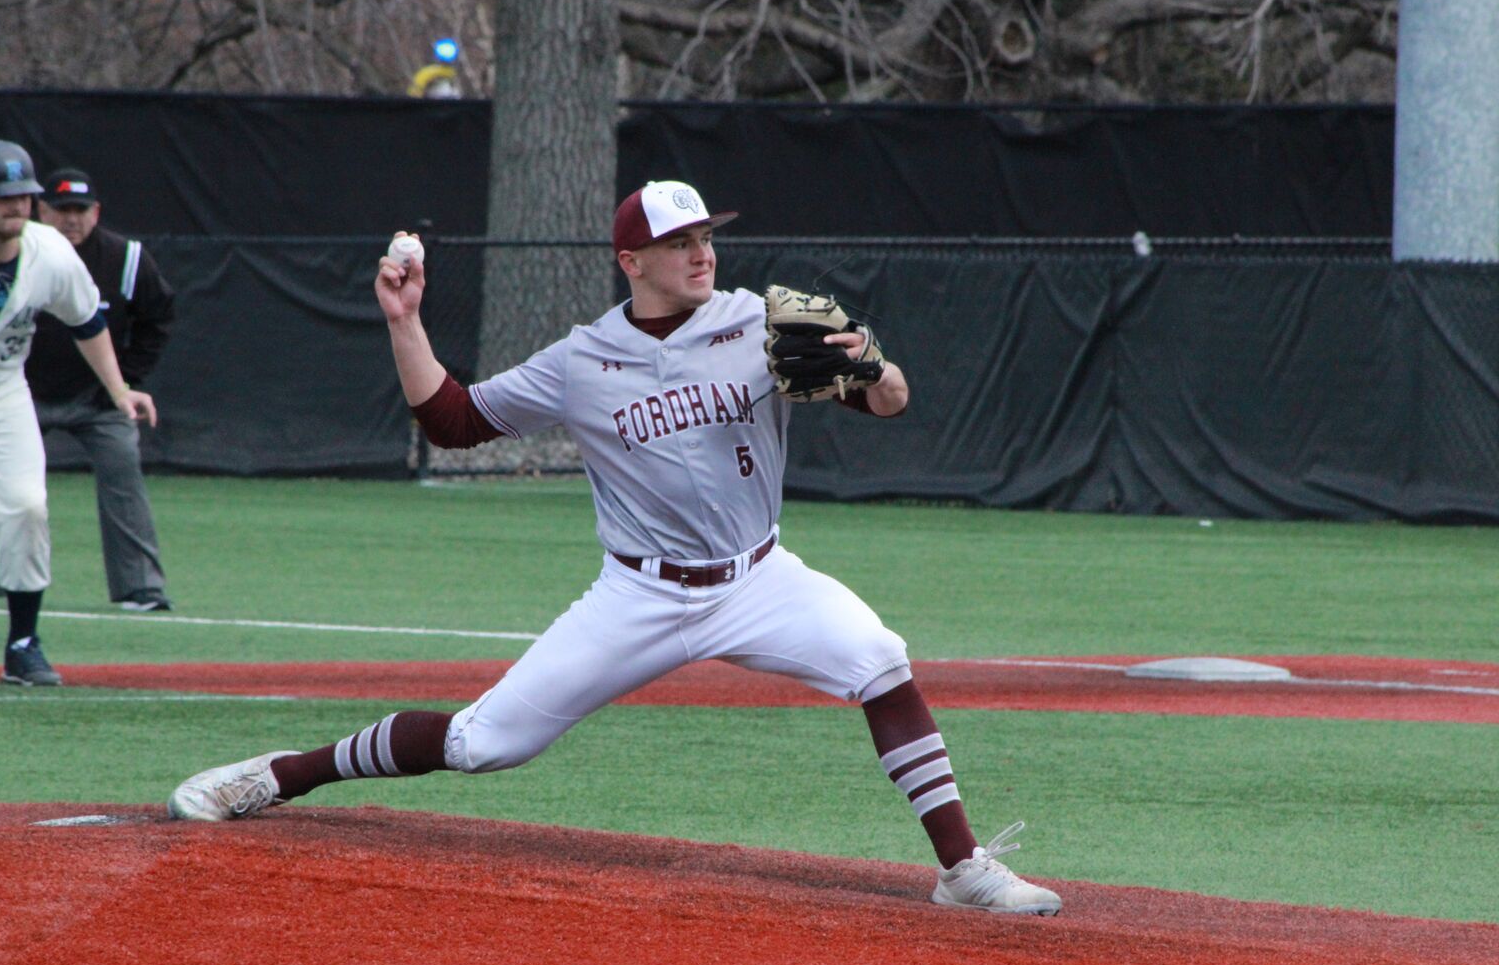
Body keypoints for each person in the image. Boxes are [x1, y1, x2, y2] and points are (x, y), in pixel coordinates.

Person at [167, 180, 1061, 915]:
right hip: (638, 594)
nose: (702, 252)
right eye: (681, 242)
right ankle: (278, 774)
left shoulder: (760, 321)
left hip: (759, 576)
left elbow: (892, 402)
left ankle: (962, 869)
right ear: (631, 261)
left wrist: (869, 358)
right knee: (485, 743)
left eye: (707, 234)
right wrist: (406, 321)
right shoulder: (582, 359)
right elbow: (452, 419)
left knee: (878, 656)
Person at [0, 139, 157, 685]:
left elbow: (87, 322)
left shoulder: (49, 253)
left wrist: (119, 390)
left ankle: (22, 643)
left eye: (24, 195)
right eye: (3, 196)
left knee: (25, 507)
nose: (17, 205)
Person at [0, 167, 175, 612]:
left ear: (96, 212)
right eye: (62, 210)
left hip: (99, 400)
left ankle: (142, 589)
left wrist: (125, 382)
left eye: (81, 210)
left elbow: (158, 317)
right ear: (41, 210)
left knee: (124, 476)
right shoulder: (8, 252)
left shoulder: (126, 259)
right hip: (20, 394)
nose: (72, 220)